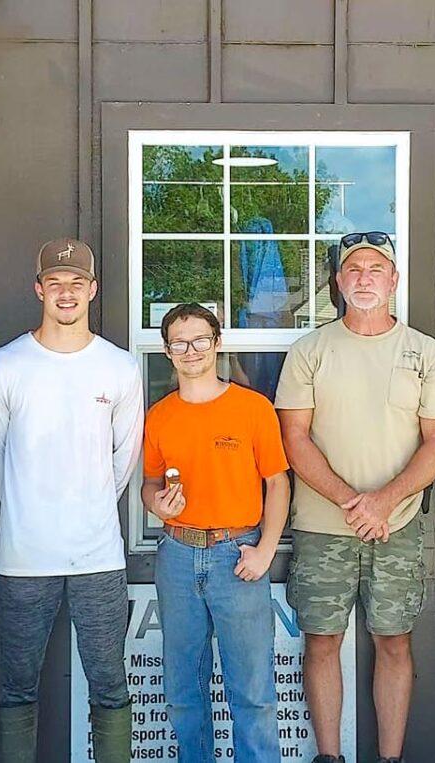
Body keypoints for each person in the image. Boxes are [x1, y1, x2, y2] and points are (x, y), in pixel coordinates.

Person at [275, 231, 435, 763]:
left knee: (394, 641)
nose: (364, 278)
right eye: (353, 269)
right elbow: (294, 438)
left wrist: (384, 502)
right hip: (320, 527)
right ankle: (329, 757)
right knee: (321, 642)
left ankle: (390, 757)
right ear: (338, 282)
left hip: (396, 527)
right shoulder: (309, 351)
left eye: (375, 269)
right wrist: (352, 502)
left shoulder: (425, 353)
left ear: (394, 280)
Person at [0, 237, 143, 763]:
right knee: (18, 684)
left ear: (93, 290)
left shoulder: (118, 368)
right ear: (38, 289)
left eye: (76, 283)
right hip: (24, 557)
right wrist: (34, 509)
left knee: (110, 683)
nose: (65, 292)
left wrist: (85, 504)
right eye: (55, 282)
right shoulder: (4, 365)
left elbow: (122, 461)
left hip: (98, 555)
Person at [141, 302, 289, 762]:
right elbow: (149, 483)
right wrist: (156, 503)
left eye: (200, 340)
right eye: (180, 343)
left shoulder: (252, 408)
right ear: (167, 352)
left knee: (253, 692)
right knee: (183, 688)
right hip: (179, 555)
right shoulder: (159, 416)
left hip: (238, 553)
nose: (191, 350)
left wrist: (265, 549)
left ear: (217, 343)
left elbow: (278, 482)